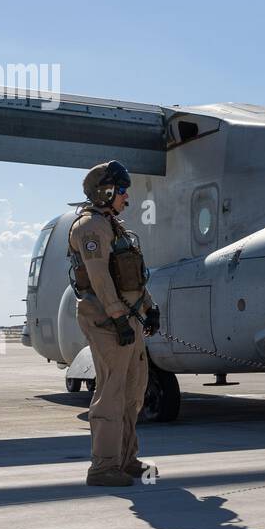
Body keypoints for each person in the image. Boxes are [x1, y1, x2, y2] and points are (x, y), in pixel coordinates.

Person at [68, 161, 162, 487]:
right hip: (107, 319)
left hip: (127, 316)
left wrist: (150, 308)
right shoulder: (90, 228)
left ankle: (125, 459)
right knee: (112, 392)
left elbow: (130, 278)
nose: (126, 199)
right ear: (105, 191)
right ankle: (103, 467)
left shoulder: (114, 227)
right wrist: (118, 318)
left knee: (134, 391)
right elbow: (100, 279)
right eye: (122, 191)